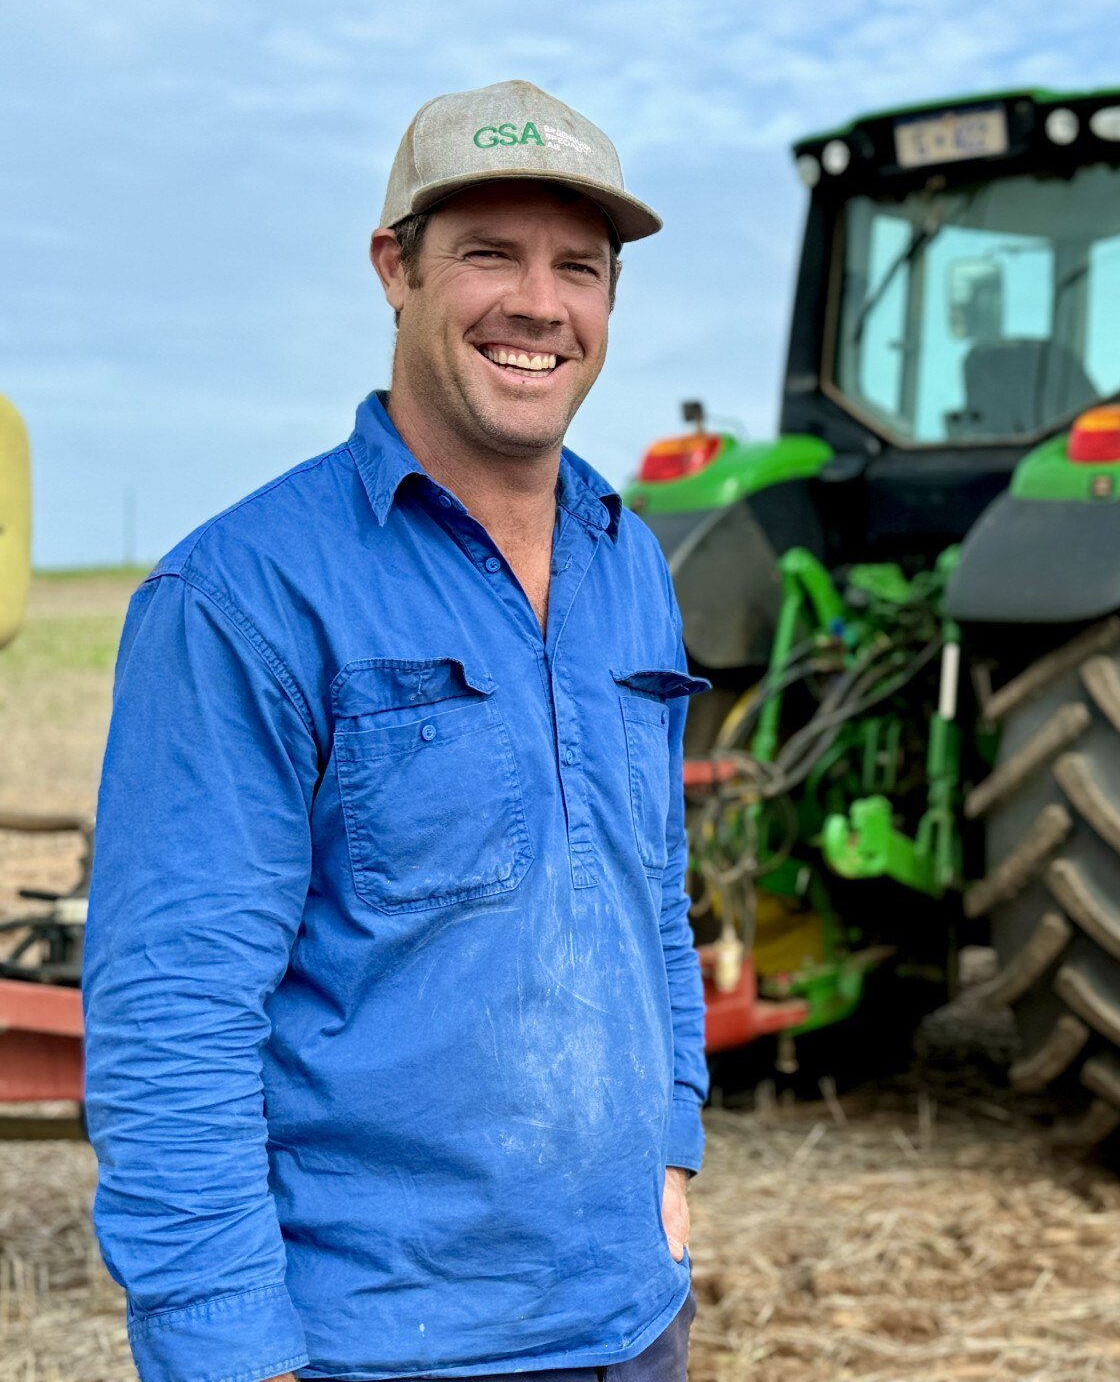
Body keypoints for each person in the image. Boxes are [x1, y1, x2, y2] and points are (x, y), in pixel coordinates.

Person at [83, 80, 708, 1382]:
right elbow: (172, 1019)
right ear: (395, 269)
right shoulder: (245, 596)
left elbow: (649, 892)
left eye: (578, 267)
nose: (540, 304)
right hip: (377, 1347)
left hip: (630, 1322)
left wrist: (669, 1139)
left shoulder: (631, 563)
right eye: (490, 254)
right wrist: (222, 1348)